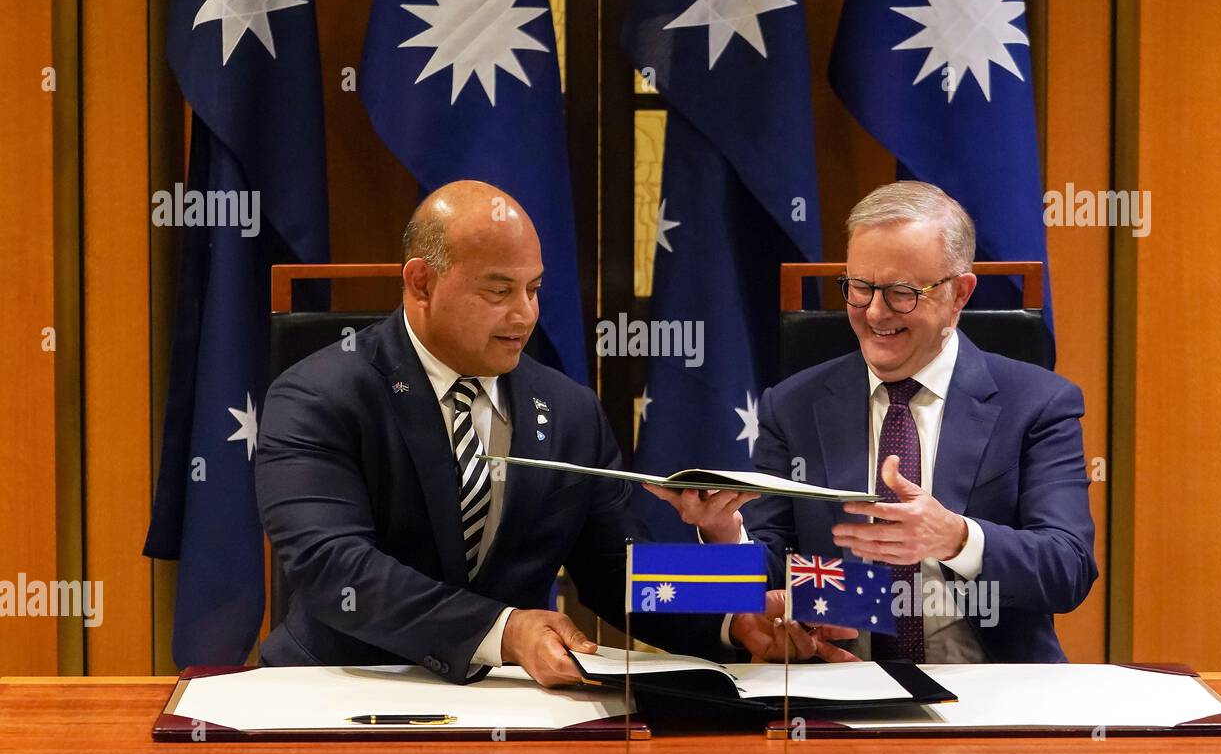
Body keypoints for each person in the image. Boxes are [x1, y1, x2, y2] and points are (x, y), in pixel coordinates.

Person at [254, 180, 853, 687]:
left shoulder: (567, 410)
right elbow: (333, 565)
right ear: (420, 283)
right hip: (342, 688)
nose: (525, 315)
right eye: (498, 292)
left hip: (513, 706)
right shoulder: (317, 396)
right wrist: (504, 630)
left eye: (534, 289)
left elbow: (621, 570)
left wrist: (728, 616)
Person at [649, 181, 1097, 663]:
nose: (875, 313)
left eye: (902, 293)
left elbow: (1067, 569)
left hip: (991, 691)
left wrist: (956, 536)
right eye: (859, 289)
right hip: (837, 687)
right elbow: (776, 572)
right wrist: (724, 535)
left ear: (959, 293)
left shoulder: (1039, 403)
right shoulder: (794, 406)